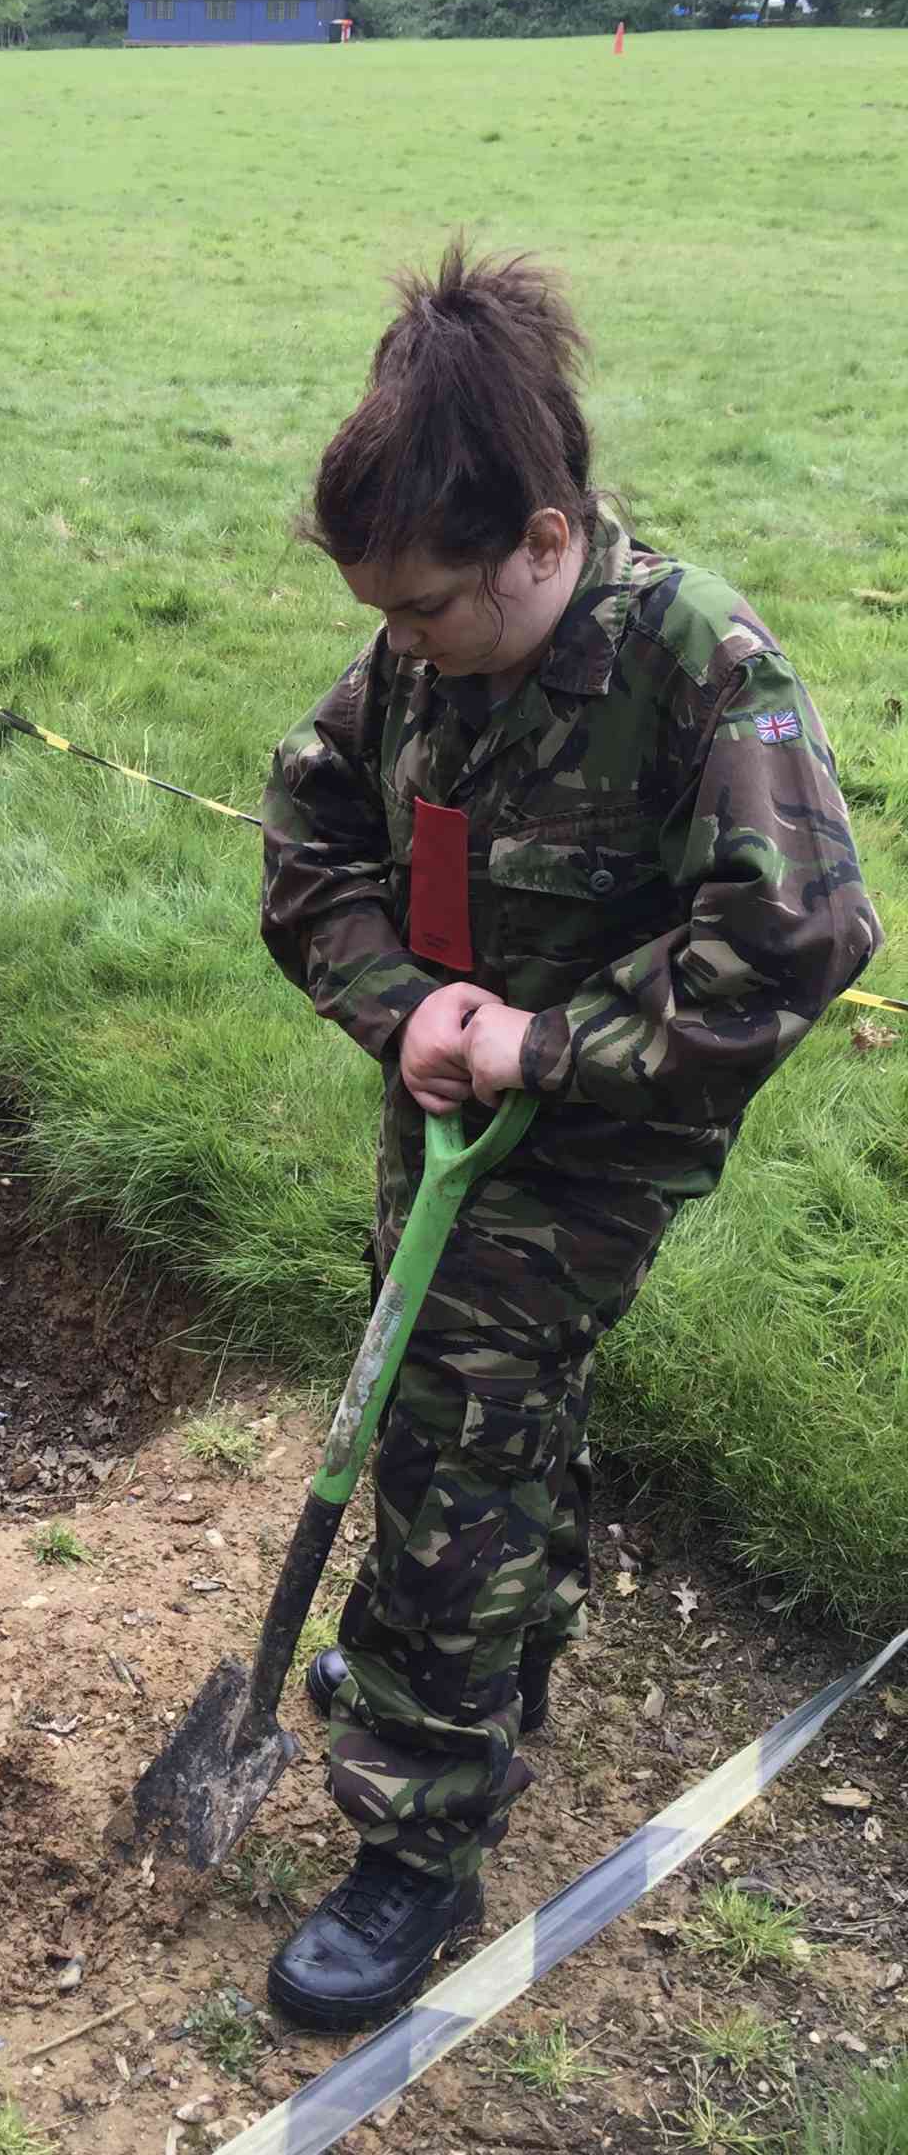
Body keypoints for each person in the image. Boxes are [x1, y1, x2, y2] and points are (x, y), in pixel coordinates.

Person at [258, 242, 880, 2031]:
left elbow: (801, 939)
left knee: (450, 1425)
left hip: (604, 1134)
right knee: (487, 1419)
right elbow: (308, 844)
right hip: (450, 1106)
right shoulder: (420, 657)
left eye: (432, 607)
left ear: (545, 537)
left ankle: (419, 1832)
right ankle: (505, 1649)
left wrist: (547, 1035)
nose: (402, 647)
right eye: (382, 612)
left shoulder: (698, 662)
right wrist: (408, 1006)